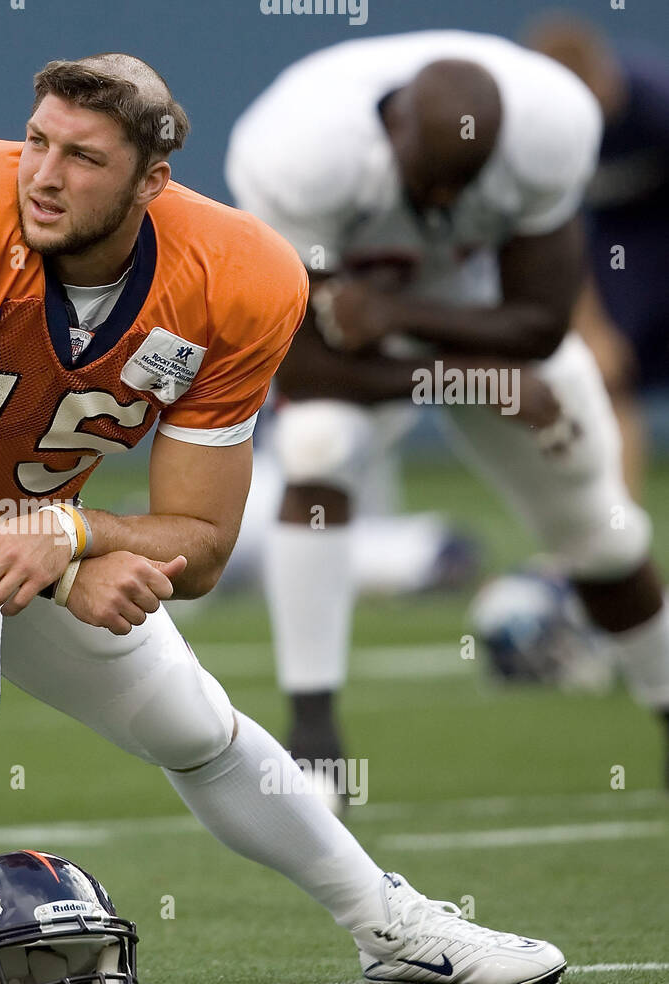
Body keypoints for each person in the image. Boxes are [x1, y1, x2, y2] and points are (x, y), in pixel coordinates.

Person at [0, 53, 567, 984]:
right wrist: (72, 559)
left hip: (27, 517)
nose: (42, 174)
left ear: (150, 181)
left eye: (82, 157)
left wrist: (79, 530)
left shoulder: (237, 276)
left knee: (191, 722)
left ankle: (387, 921)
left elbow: (203, 542)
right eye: (37, 141)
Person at [226, 31, 669, 797]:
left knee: (601, 533)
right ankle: (315, 741)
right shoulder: (301, 153)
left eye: (462, 183)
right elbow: (305, 365)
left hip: (475, 324)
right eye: (429, 178)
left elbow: (537, 322)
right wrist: (475, 382)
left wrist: (398, 312)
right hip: (374, 344)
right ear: (391, 135)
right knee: (317, 441)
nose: (439, 203)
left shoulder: (548, 127)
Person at [527, 14, 669, 501]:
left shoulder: (657, 103)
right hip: (618, 253)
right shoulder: (546, 137)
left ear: (606, 73)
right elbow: (555, 234)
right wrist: (593, 328)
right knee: (608, 380)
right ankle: (619, 525)